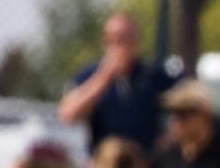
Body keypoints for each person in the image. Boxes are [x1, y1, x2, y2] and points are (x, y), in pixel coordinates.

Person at [57, 13, 177, 152]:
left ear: (136, 42)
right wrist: (105, 76)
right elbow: (67, 115)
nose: (121, 47)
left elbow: (184, 104)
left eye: (126, 39)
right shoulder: (90, 75)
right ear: (104, 42)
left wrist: (169, 138)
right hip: (105, 162)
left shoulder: (153, 75)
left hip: (146, 162)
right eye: (114, 40)